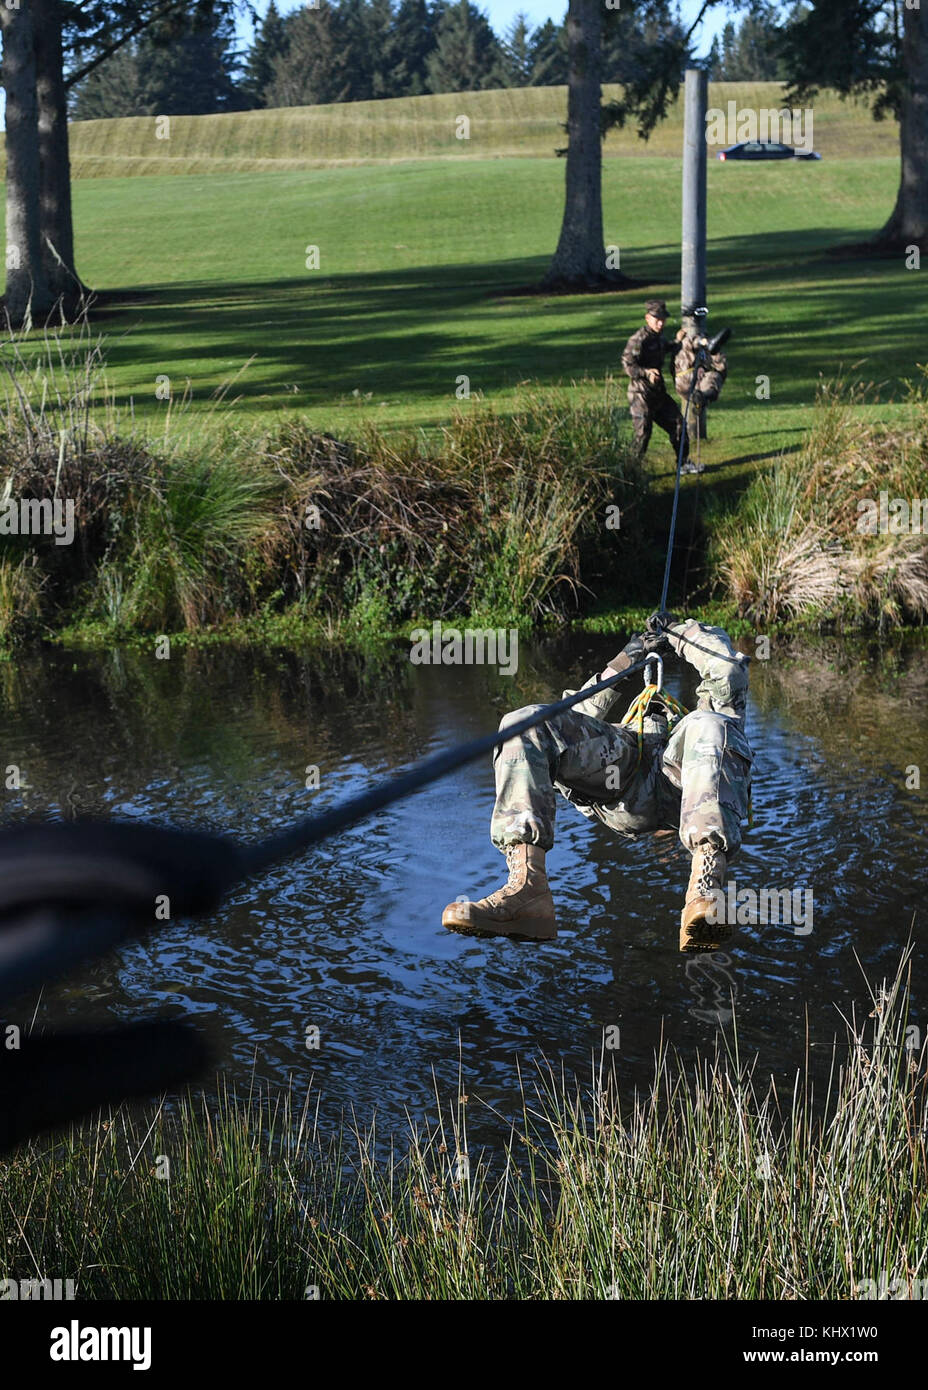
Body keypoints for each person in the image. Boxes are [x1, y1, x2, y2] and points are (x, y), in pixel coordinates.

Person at [441, 614, 754, 953]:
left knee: (711, 724)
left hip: (682, 787)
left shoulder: (714, 720)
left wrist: (681, 633)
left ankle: (705, 890)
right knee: (527, 724)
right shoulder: (625, 740)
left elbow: (727, 671)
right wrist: (627, 661)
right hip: (621, 782)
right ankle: (527, 890)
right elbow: (573, 718)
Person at [621, 299, 688, 467]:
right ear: (647, 318)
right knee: (643, 434)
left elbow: (665, 348)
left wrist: (677, 342)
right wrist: (646, 372)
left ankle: (684, 463)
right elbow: (628, 365)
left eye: (663, 319)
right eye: (656, 319)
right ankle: (632, 470)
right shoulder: (639, 339)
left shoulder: (658, 337)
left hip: (657, 393)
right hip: (640, 394)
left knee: (678, 424)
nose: (660, 322)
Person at [673, 323, 728, 464]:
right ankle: (703, 397)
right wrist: (704, 343)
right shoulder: (683, 343)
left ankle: (703, 398)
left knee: (715, 376)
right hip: (686, 379)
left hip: (698, 383)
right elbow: (688, 344)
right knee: (715, 377)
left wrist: (713, 351)